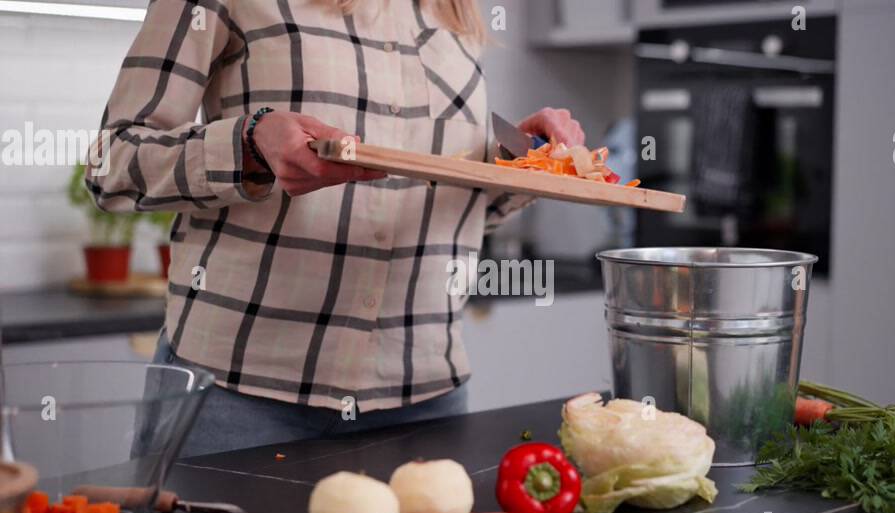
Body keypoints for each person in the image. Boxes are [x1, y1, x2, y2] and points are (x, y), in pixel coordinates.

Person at [86, 0, 585, 456]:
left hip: (426, 400)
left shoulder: (453, 14)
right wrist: (249, 147)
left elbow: (454, 215)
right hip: (237, 399)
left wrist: (526, 164)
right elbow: (112, 163)